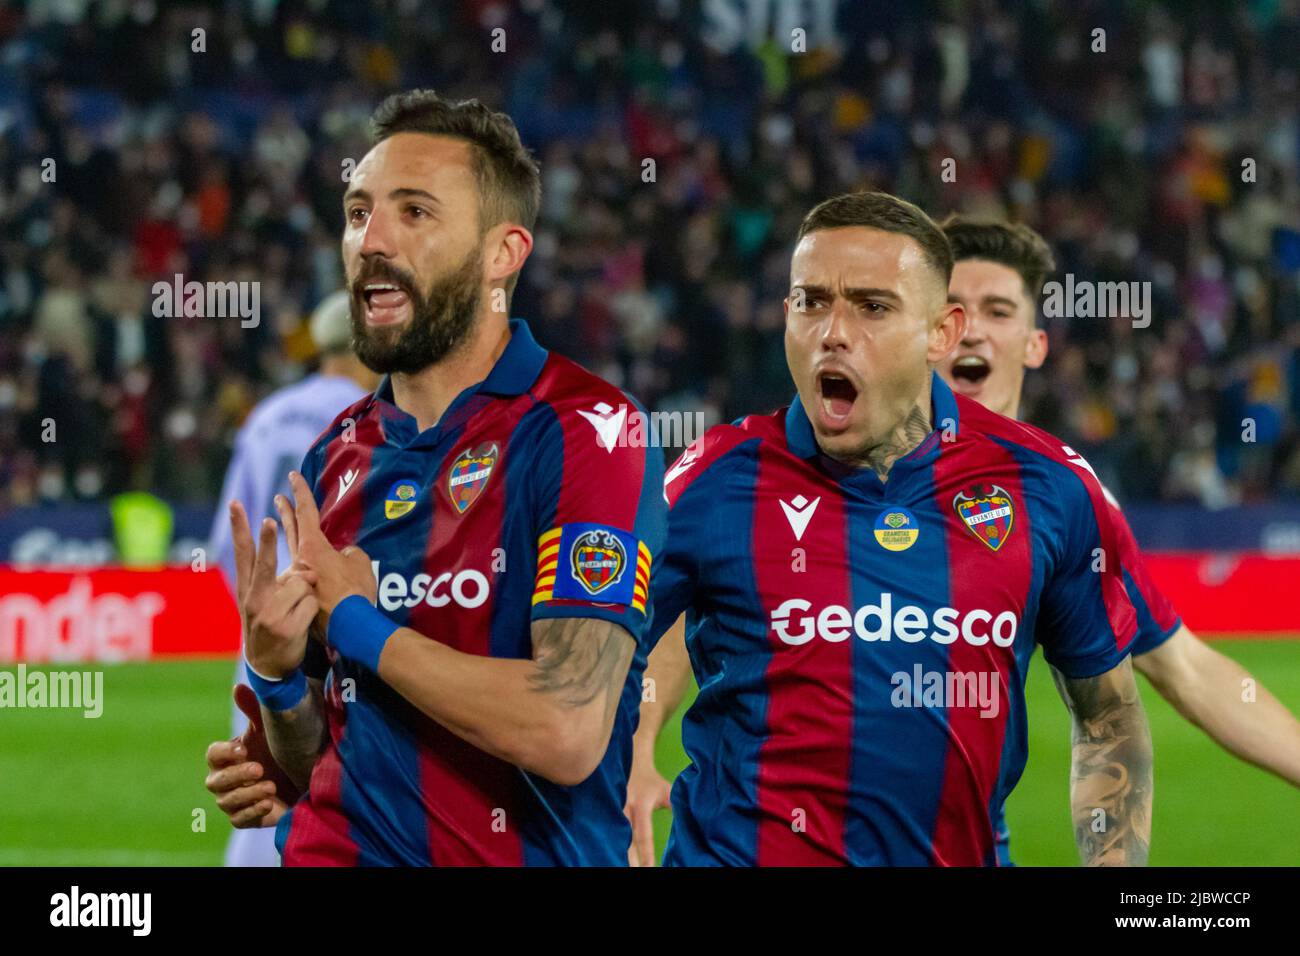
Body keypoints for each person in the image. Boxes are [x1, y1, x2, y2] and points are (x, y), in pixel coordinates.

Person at [205, 88, 665, 865]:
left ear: (503, 253)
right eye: (357, 213)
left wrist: (355, 619)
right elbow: (316, 751)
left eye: (414, 212)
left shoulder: (586, 430)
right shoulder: (335, 455)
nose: (371, 240)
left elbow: (565, 726)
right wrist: (282, 683)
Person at [632, 191, 1151, 866]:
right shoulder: (714, 481)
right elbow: (583, 663)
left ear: (942, 331)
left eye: (872, 306)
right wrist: (627, 758)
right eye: (810, 301)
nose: (833, 331)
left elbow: (1108, 715)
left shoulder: (1047, 485)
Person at [937, 215, 1300, 863]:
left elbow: (1181, 667)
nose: (974, 329)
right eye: (953, 310)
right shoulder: (839, 469)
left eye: (997, 310)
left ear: (1035, 345)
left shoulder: (1063, 494)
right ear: (928, 333)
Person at [206, 290, 377, 867]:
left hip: (265, 636)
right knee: (343, 791)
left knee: (257, 783)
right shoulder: (374, 415)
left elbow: (230, 543)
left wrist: (260, 631)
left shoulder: (269, 415)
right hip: (339, 627)